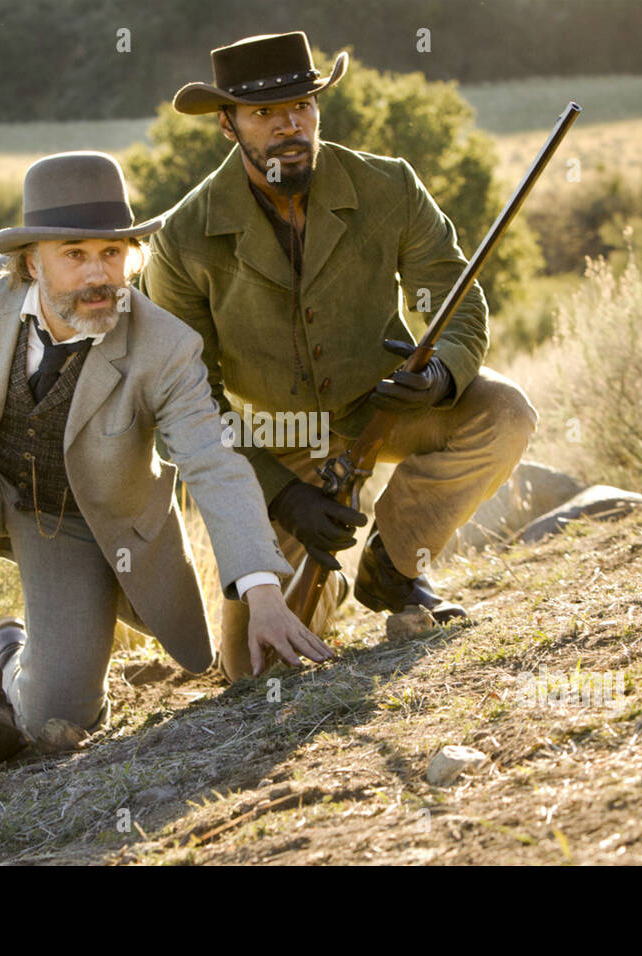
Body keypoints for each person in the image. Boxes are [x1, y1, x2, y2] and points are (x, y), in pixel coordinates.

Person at [0, 151, 330, 768]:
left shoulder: (165, 349)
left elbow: (211, 463)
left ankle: (12, 652)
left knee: (58, 719)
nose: (97, 275)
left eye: (112, 254)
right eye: (75, 254)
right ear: (32, 262)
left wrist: (264, 590)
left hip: (76, 521)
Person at [142, 32, 539, 681]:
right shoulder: (183, 240)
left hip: (385, 409)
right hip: (272, 441)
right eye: (265, 113)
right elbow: (186, 406)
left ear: (318, 109)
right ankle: (316, 584)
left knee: (506, 412)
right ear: (227, 124)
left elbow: (457, 296)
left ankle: (393, 566)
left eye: (301, 105)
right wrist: (282, 494)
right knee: (255, 672)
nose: (288, 124)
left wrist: (439, 378)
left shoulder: (390, 187)